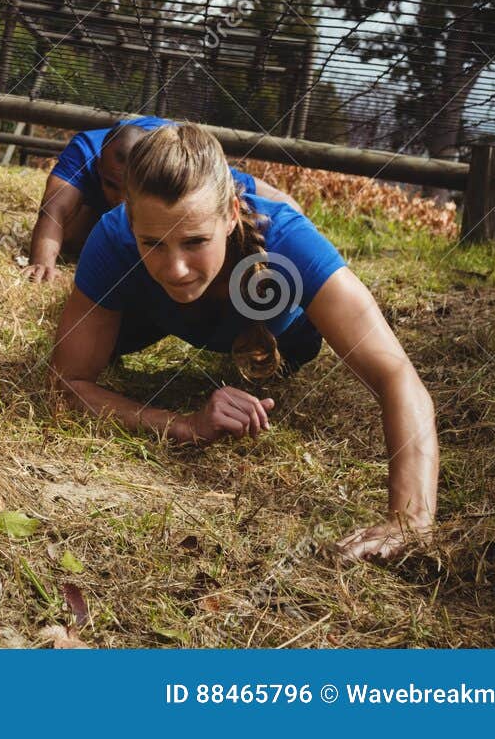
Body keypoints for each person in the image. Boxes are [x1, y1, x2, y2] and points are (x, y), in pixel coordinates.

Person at [48, 122, 438, 563]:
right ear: (129, 219)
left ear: (232, 213)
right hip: (162, 316)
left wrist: (410, 518)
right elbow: (67, 383)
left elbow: (396, 375)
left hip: (282, 341)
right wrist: (183, 425)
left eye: (195, 241)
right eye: (153, 243)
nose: (175, 268)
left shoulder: (288, 241)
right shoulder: (112, 238)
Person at [25, 115, 298, 282]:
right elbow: (55, 208)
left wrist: (303, 237)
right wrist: (43, 262)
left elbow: (278, 200)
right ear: (98, 168)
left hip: (173, 153)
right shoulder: (85, 150)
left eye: (129, 189)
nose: (121, 201)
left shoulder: (188, 164)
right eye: (111, 185)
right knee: (70, 234)